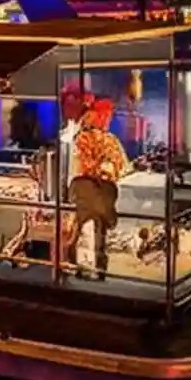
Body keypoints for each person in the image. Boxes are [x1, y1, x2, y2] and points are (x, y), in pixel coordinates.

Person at [66, 98, 130, 278]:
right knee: (96, 232)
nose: (109, 119)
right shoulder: (102, 140)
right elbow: (119, 167)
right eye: (107, 116)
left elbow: (82, 167)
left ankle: (84, 268)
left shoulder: (85, 138)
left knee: (87, 231)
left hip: (88, 193)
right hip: (96, 193)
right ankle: (96, 270)